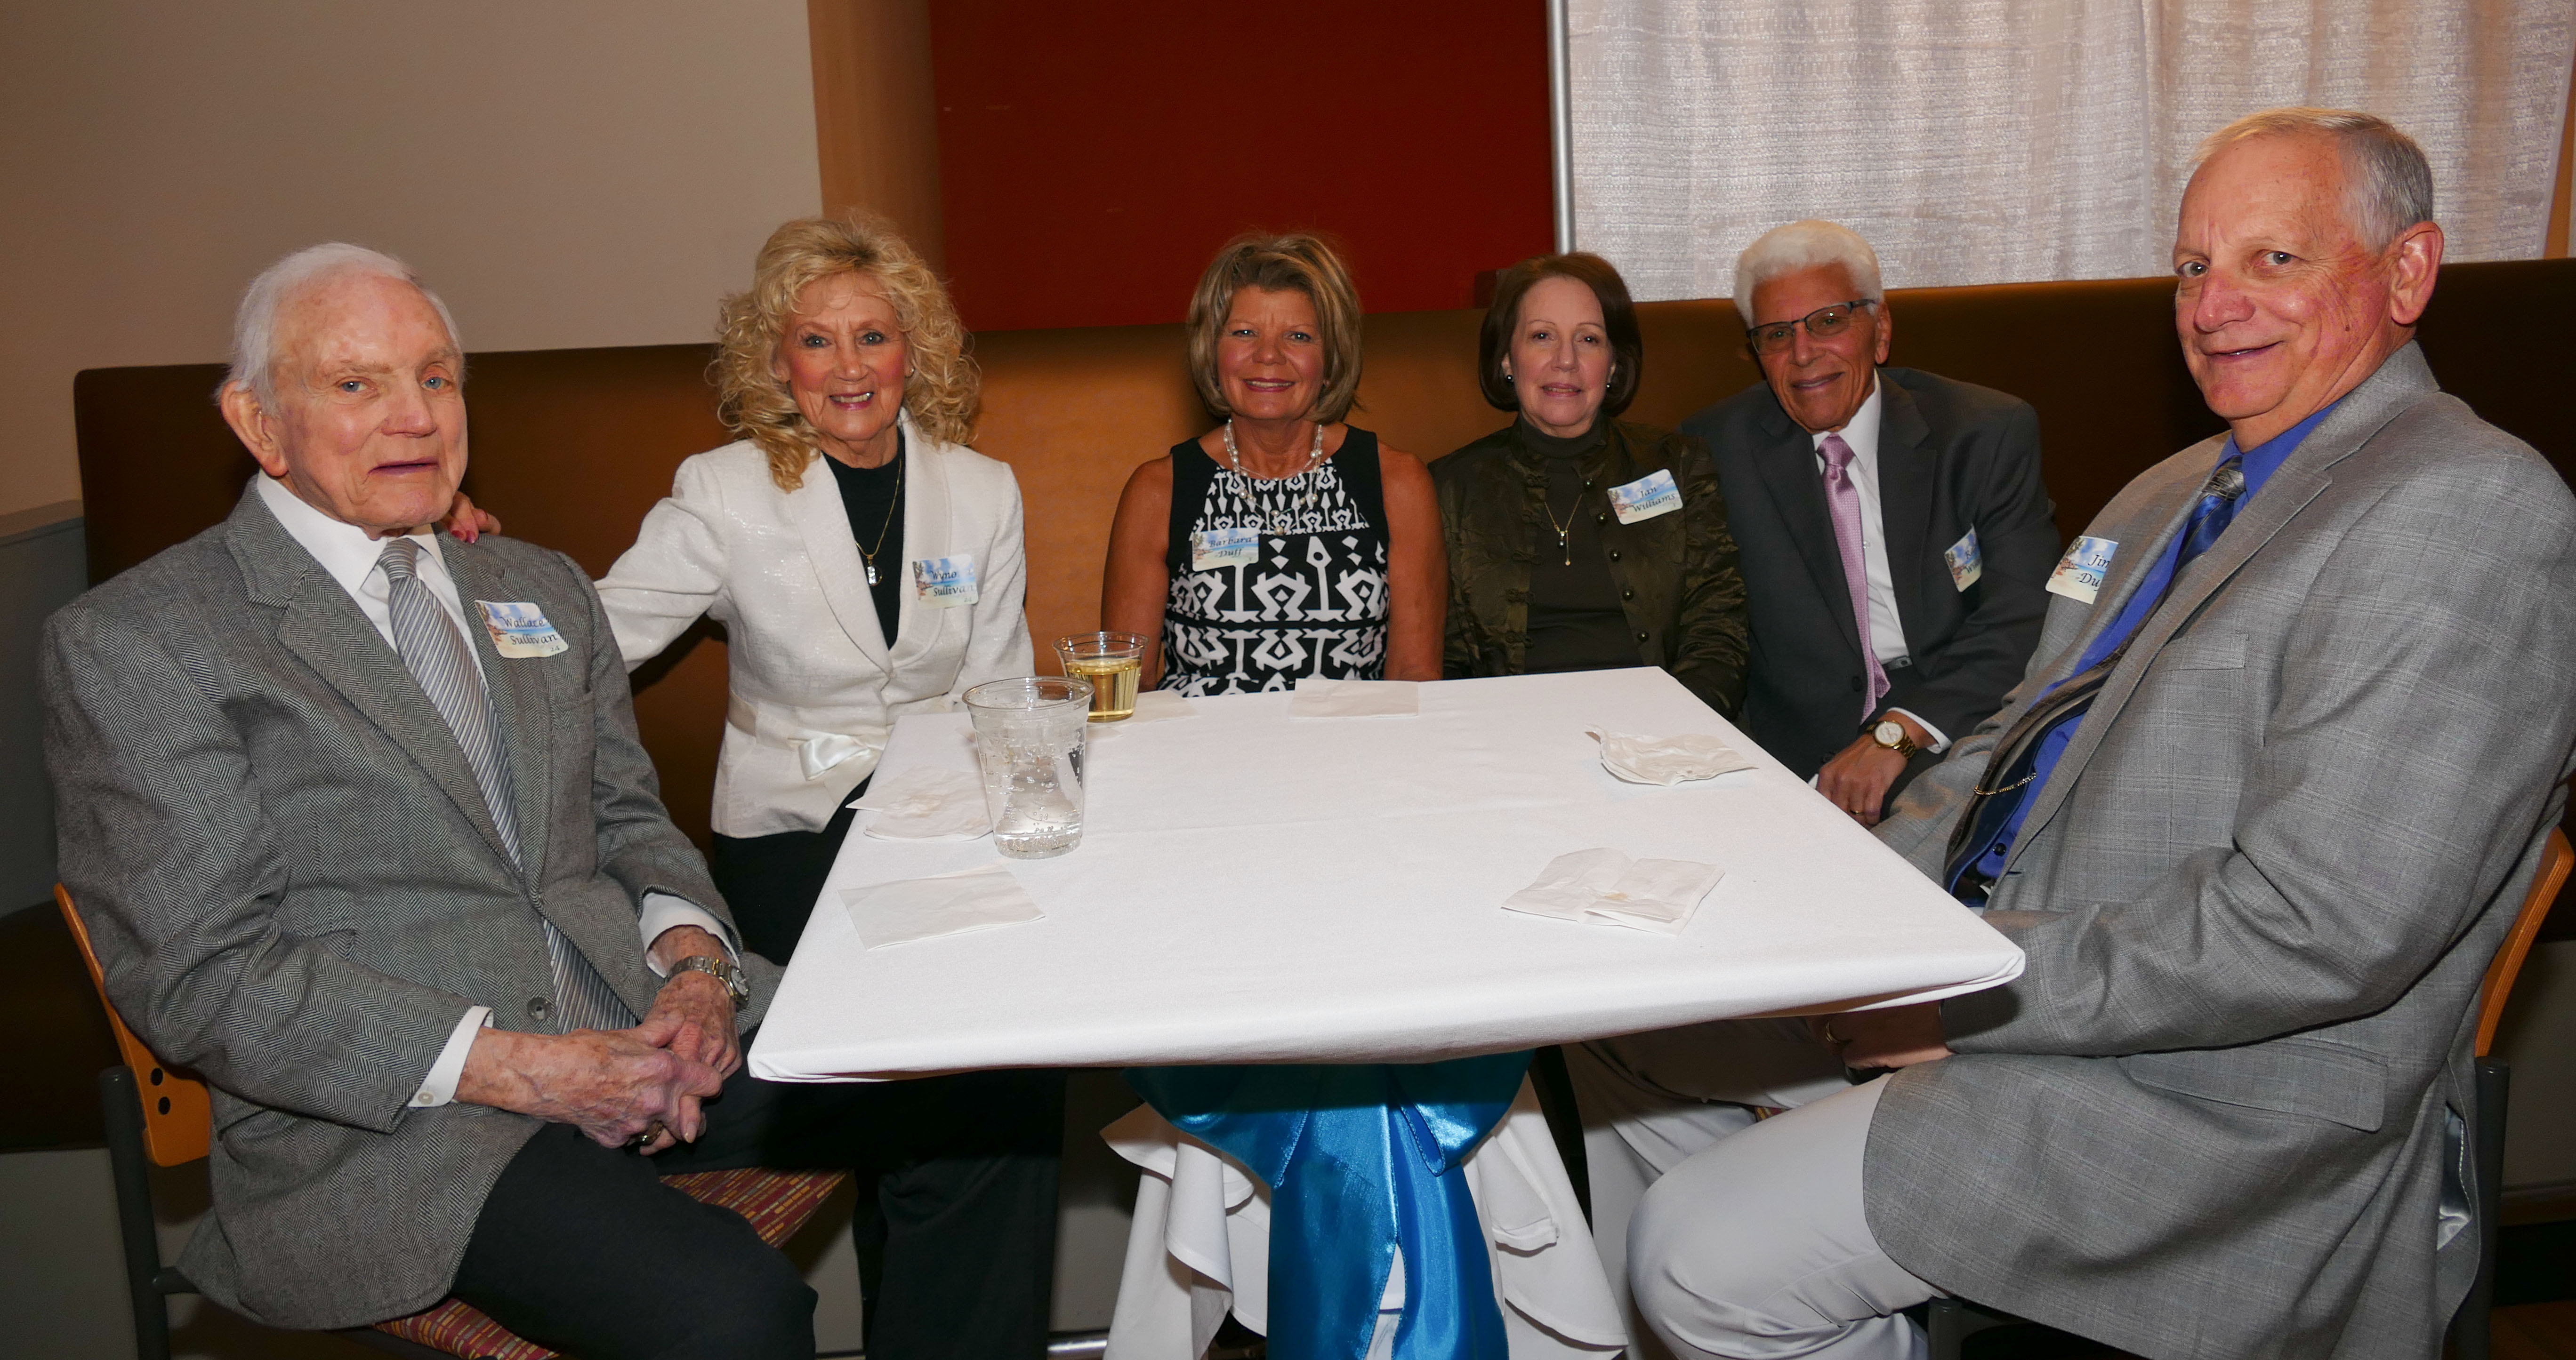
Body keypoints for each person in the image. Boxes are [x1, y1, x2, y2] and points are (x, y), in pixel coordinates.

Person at [1622, 109, 2576, 1360]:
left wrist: (1967, 994)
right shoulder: (2173, 486)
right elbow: (2015, 731)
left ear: (2408, 272)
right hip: (2018, 980)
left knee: (1695, 1251)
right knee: (1627, 1026)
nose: (2215, 305)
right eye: (2193, 266)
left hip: (2206, 1106)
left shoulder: (2468, 510)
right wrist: (1842, 897)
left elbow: (2318, 933)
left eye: (2272, 260)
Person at [43, 244, 1060, 1360]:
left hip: (647, 1031)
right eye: (356, 383)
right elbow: (203, 974)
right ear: (256, 421)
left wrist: (698, 970)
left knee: (991, 1097)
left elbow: (626, 819)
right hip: (414, 1117)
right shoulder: (148, 640)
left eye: (436, 376)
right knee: (733, 1309)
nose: (414, 416)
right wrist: (522, 1065)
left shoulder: (532, 585)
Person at [592, 216, 1035, 965]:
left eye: (872, 337)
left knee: (998, 997)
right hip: (788, 819)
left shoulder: (984, 490)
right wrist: (472, 584)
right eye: (816, 341)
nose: (849, 369)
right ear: (776, 361)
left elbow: (999, 683)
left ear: (913, 352)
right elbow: (599, 637)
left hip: (947, 805)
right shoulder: (725, 491)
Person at [1682, 221, 2059, 825]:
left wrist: (1900, 734)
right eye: (1777, 334)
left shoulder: (1985, 433)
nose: (1803, 353)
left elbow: (2023, 612)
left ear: (1880, 332)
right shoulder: (1713, 450)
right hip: (1790, 759)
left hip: (1954, 730)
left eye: (1829, 321)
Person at [1101, 232, 1445, 693]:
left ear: (1329, 361)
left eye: (1298, 336)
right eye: (1244, 333)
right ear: (1213, 351)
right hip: (1200, 754)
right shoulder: (1159, 490)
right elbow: (1128, 687)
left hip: (1350, 753)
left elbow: (1414, 679)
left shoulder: (1396, 484)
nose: (1268, 356)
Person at [1435, 252, 1750, 717]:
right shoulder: (1448, 487)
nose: (1565, 361)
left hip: (1668, 736)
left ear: (1615, 364)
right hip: (1512, 741)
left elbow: (1719, 630)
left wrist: (1672, 733)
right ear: (1506, 358)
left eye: (1589, 339)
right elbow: (1446, 663)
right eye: (1542, 336)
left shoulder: (1679, 466)